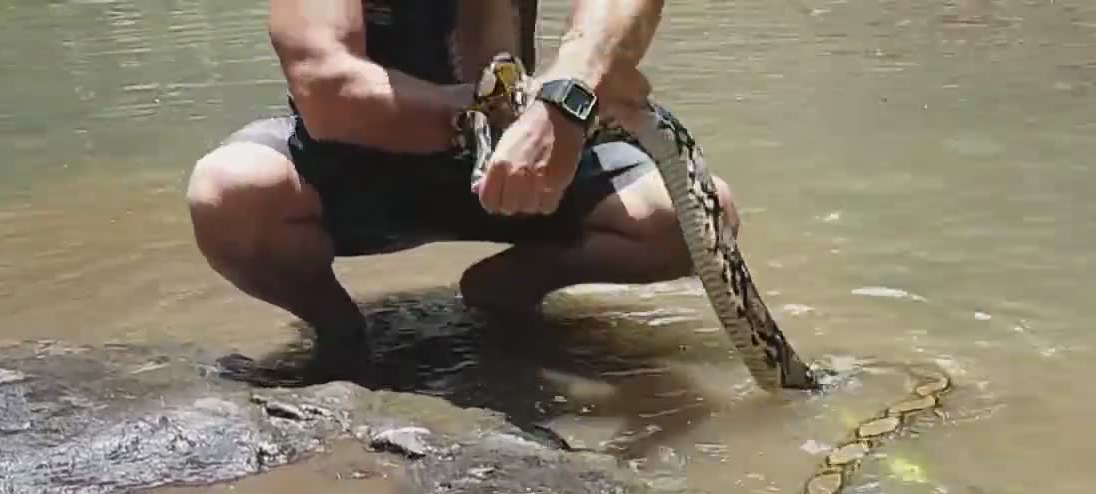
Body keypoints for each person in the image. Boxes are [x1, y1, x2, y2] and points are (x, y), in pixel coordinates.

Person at [186, 0, 738, 373]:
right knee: (230, 195)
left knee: (698, 217)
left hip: (515, 157)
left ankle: (506, 289)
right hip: (363, 160)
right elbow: (328, 89)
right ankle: (343, 335)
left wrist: (568, 94)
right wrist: (501, 113)